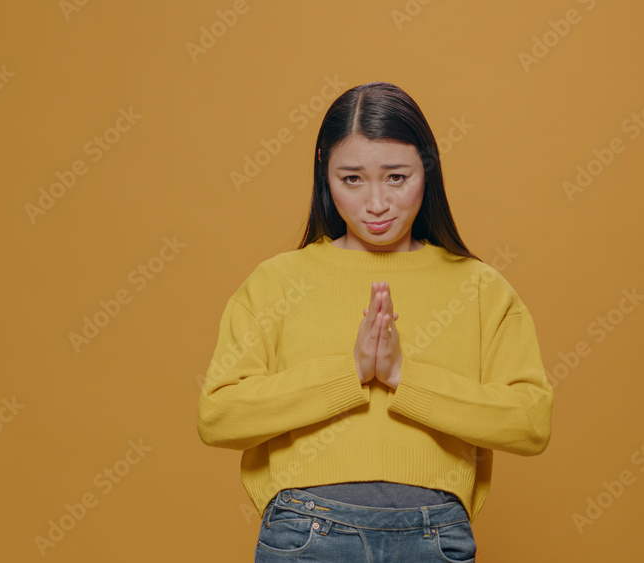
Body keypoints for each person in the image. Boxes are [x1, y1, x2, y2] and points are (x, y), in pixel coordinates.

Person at [197, 81, 554, 562]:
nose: (377, 203)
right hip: (306, 532)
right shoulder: (278, 282)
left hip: (435, 535)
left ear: (426, 170)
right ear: (325, 173)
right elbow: (219, 415)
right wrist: (352, 373)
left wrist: (403, 377)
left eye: (396, 177)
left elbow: (530, 422)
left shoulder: (480, 289)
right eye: (352, 179)